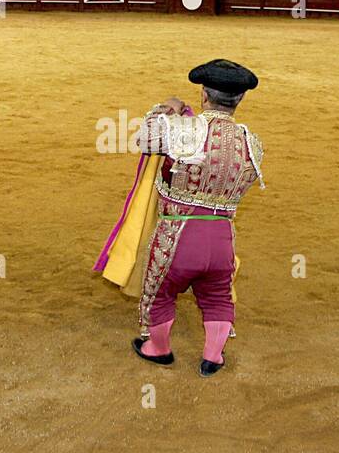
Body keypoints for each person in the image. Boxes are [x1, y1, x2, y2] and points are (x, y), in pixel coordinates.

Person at [96, 60, 264, 377]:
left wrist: (166, 109)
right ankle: (212, 357)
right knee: (217, 296)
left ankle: (158, 349)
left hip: (177, 235)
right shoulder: (251, 143)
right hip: (222, 238)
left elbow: (144, 140)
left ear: (203, 95)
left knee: (159, 292)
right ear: (240, 99)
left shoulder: (180, 131)